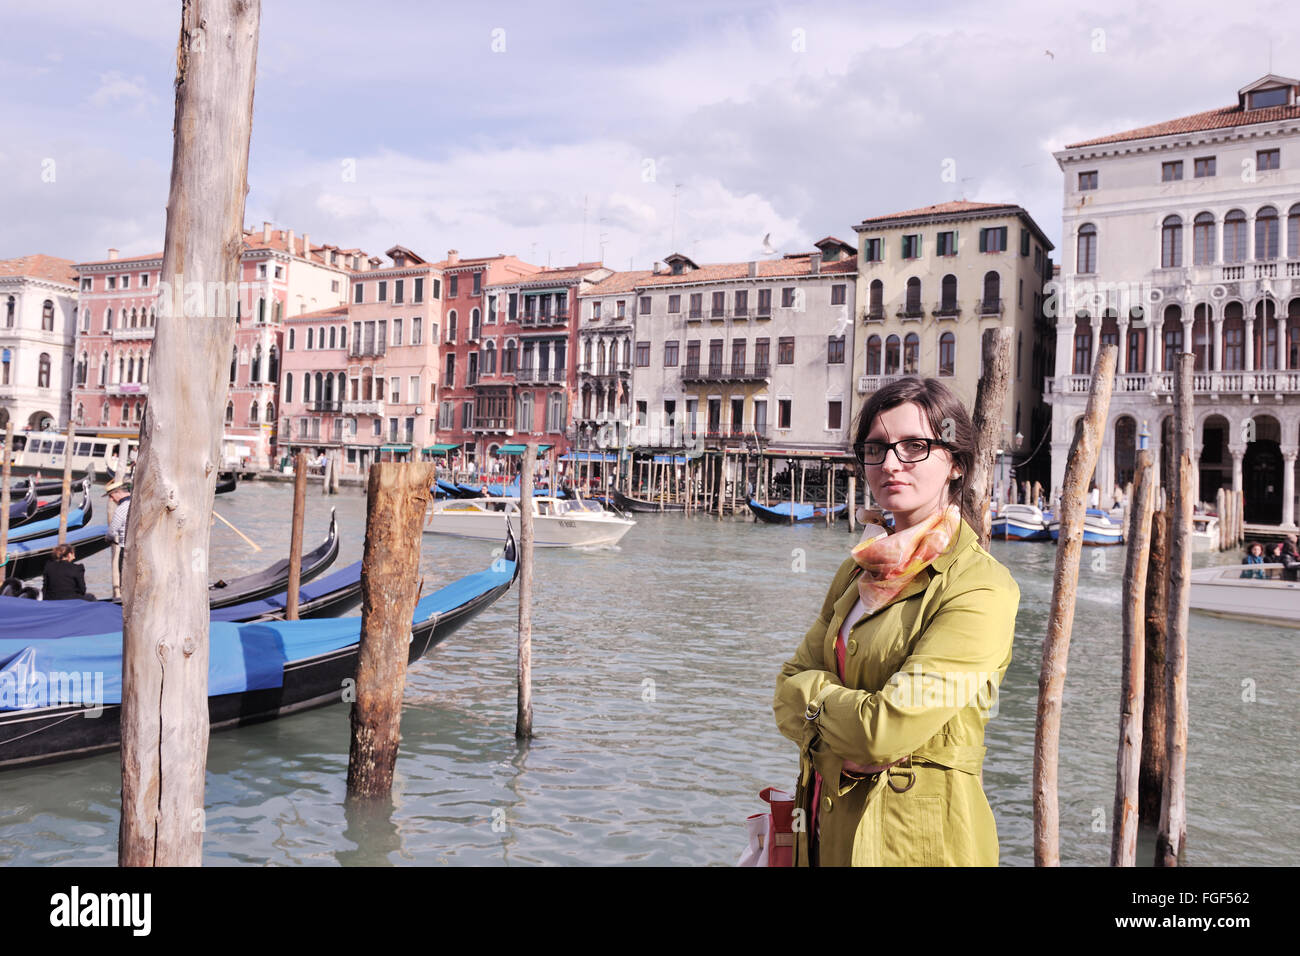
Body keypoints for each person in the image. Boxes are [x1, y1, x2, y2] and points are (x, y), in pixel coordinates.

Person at [774, 376, 1020, 867]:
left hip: (917, 845)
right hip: (823, 832)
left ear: (955, 462)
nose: (890, 463)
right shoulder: (858, 568)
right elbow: (784, 690)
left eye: (914, 447)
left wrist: (817, 707)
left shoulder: (981, 587)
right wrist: (841, 729)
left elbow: (881, 732)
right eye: (877, 448)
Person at [104, 476, 131, 598]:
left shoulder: (121, 509)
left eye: (111, 495)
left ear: (118, 492)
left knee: (125, 581)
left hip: (125, 549)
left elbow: (112, 530)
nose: (111, 499)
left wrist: (108, 538)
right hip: (138, 548)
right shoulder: (136, 502)